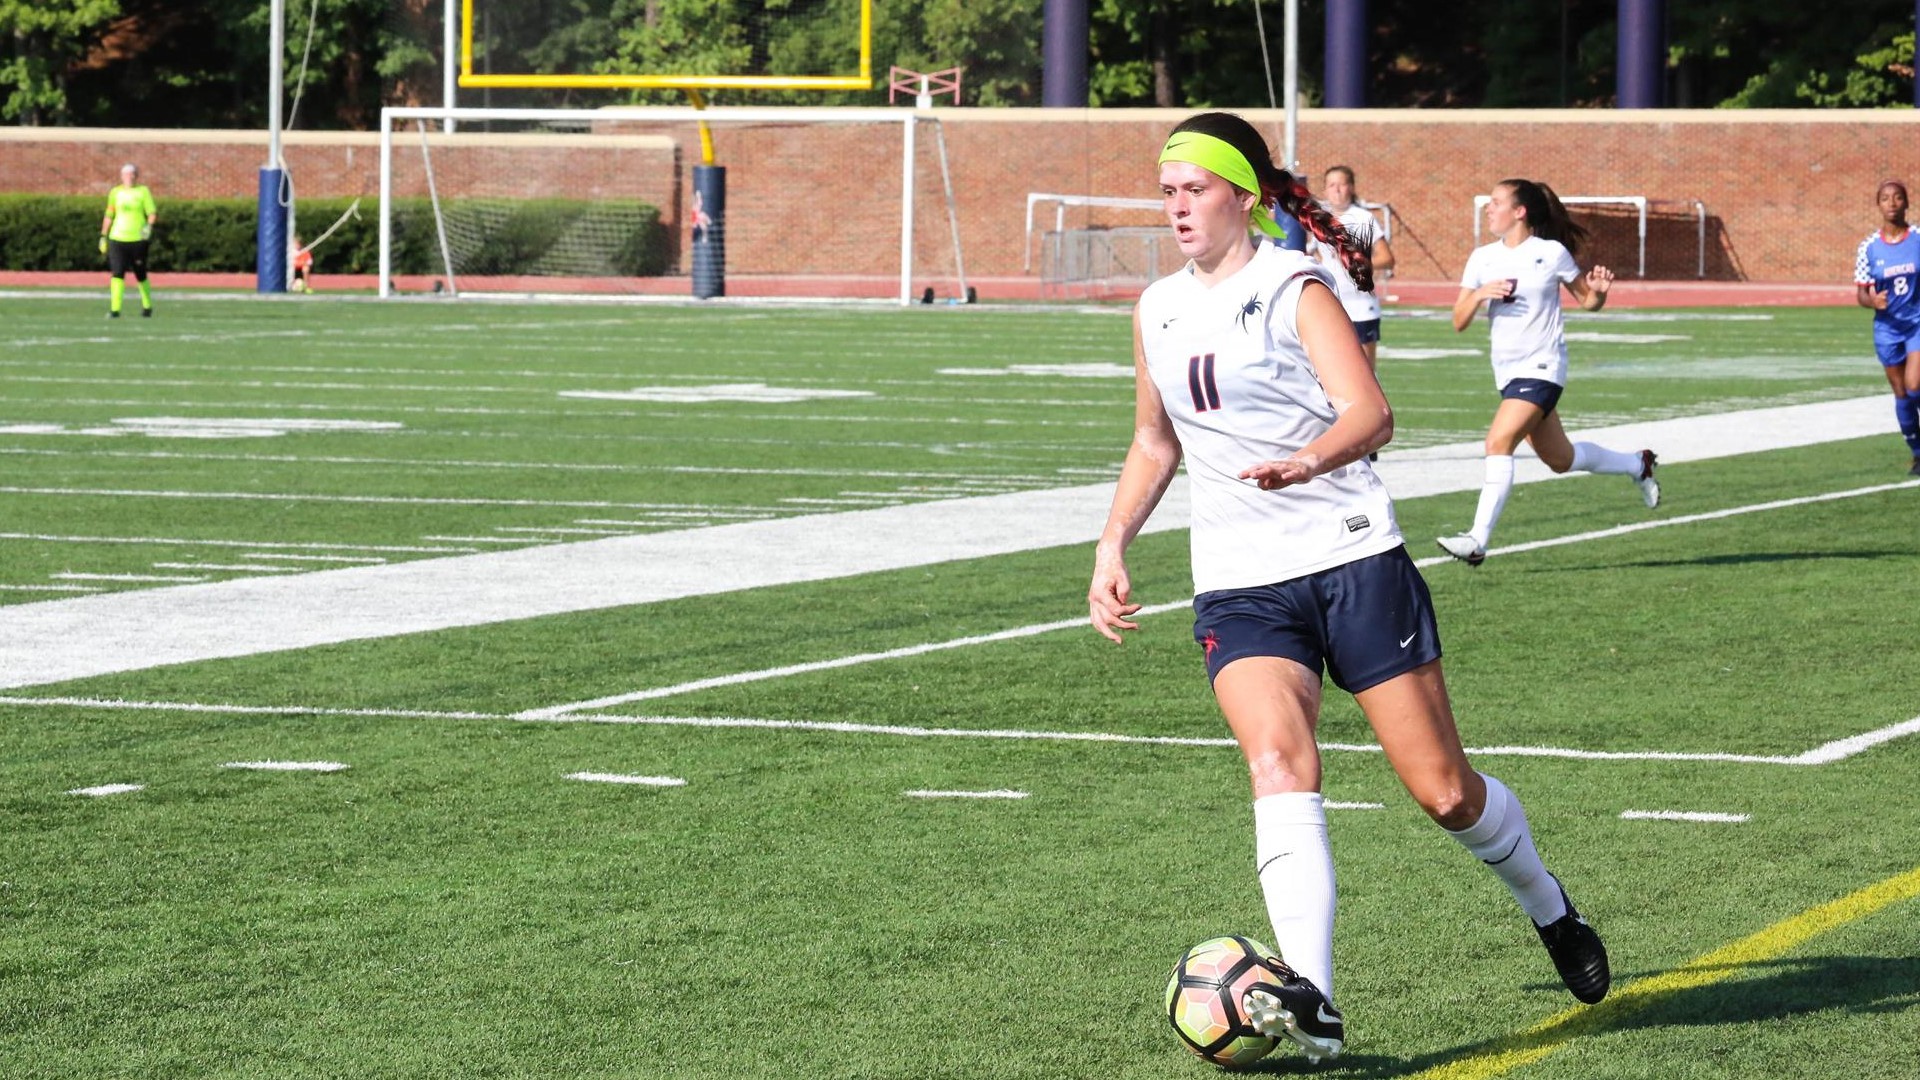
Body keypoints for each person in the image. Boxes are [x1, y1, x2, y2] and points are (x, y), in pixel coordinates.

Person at [1087, 113, 1610, 1064]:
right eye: (1167, 192)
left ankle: (1551, 906)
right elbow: (1154, 442)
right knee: (1280, 766)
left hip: (1351, 559)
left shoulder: (1295, 285)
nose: (1177, 207)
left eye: (1194, 188)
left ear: (1242, 194)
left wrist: (1307, 460)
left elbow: (1372, 413)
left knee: (1445, 794)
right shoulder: (1155, 309)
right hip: (1241, 586)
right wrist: (1112, 543)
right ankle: (1313, 1002)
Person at [1437, 179, 1659, 567]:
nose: (1488, 209)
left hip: (1543, 367)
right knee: (1561, 459)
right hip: (1507, 374)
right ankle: (1636, 464)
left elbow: (1588, 301)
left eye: (1496, 203)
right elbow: (1458, 321)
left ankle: (1477, 540)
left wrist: (1600, 292)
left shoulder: (1550, 252)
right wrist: (1479, 294)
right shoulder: (1482, 258)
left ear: (1519, 211)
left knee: (1497, 441)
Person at [1853, 179, 1920, 476]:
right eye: (1885, 198)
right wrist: (1873, 301)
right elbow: (1861, 294)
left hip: (1917, 322)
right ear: (1878, 205)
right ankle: (1918, 454)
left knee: (1914, 386)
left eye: (1897, 198)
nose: (1891, 203)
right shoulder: (1868, 248)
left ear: (1906, 203)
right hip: (1888, 328)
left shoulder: (1918, 237)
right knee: (1901, 394)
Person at [1312, 165, 1395, 370]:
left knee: (1365, 372)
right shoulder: (1317, 219)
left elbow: (1387, 258)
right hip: (1330, 305)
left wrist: (1359, 264)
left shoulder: (1363, 218)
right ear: (1325, 190)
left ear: (1351, 188)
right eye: (1332, 185)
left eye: (1342, 184)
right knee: (1332, 370)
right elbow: (1311, 253)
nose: (1337, 190)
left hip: (1360, 306)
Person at [99, 162, 157, 319]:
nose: (129, 177)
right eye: (126, 174)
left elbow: (151, 213)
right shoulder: (115, 192)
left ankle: (147, 306)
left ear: (136, 176)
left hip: (138, 239)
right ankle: (115, 309)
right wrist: (103, 235)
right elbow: (109, 214)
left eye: (132, 174)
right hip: (117, 239)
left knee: (140, 273)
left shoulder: (143, 191)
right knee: (117, 273)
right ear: (121, 176)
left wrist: (148, 227)